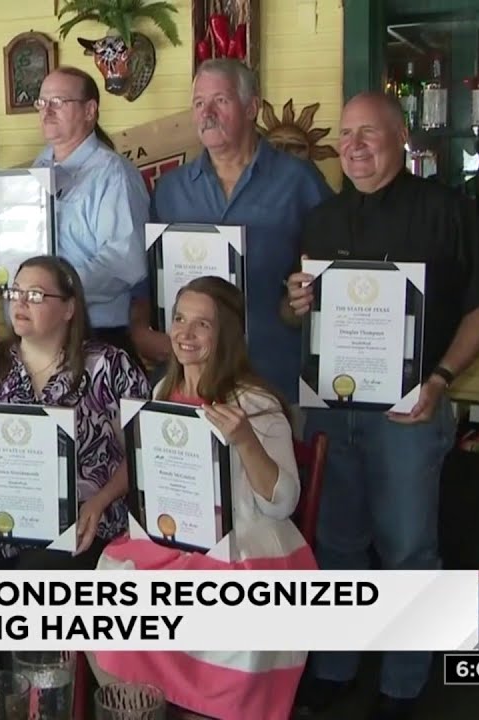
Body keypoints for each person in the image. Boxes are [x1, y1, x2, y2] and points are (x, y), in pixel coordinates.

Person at [284, 92, 479, 719]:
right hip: (335, 408)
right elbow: (293, 312)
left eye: (369, 134)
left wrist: (439, 379)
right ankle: (336, 665)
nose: (354, 146)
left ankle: (403, 682)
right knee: (337, 543)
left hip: (411, 412)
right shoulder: (323, 218)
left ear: (401, 138)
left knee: (408, 548)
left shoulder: (445, 210)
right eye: (346, 134)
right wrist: (293, 303)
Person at [90, 276, 316, 720]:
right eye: (179, 319)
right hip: (170, 539)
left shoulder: (255, 403)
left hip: (242, 540)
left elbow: (282, 502)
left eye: (202, 325)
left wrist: (246, 440)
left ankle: (201, 708)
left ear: (226, 334)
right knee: (105, 596)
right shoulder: (159, 393)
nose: (185, 334)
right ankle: (144, 709)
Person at [0, 255, 151, 672]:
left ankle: (38, 703)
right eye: (16, 292)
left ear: (69, 308)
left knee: (33, 588)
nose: (20, 302)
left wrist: (99, 502)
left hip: (82, 517)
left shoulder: (109, 365)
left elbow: (143, 452)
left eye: (36, 295)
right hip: (2, 515)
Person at [134, 58, 331, 399]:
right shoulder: (170, 190)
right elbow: (147, 278)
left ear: (251, 107)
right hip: (191, 382)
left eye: (220, 101)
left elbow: (330, 263)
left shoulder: (299, 180)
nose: (206, 112)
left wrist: (302, 291)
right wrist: (139, 330)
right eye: (199, 103)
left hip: (271, 376)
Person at [31, 68, 150, 361]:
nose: (47, 111)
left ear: (90, 110)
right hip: (39, 334)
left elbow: (125, 260)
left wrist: (57, 292)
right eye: (42, 102)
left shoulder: (114, 174)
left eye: (58, 101)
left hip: (95, 338)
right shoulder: (37, 167)